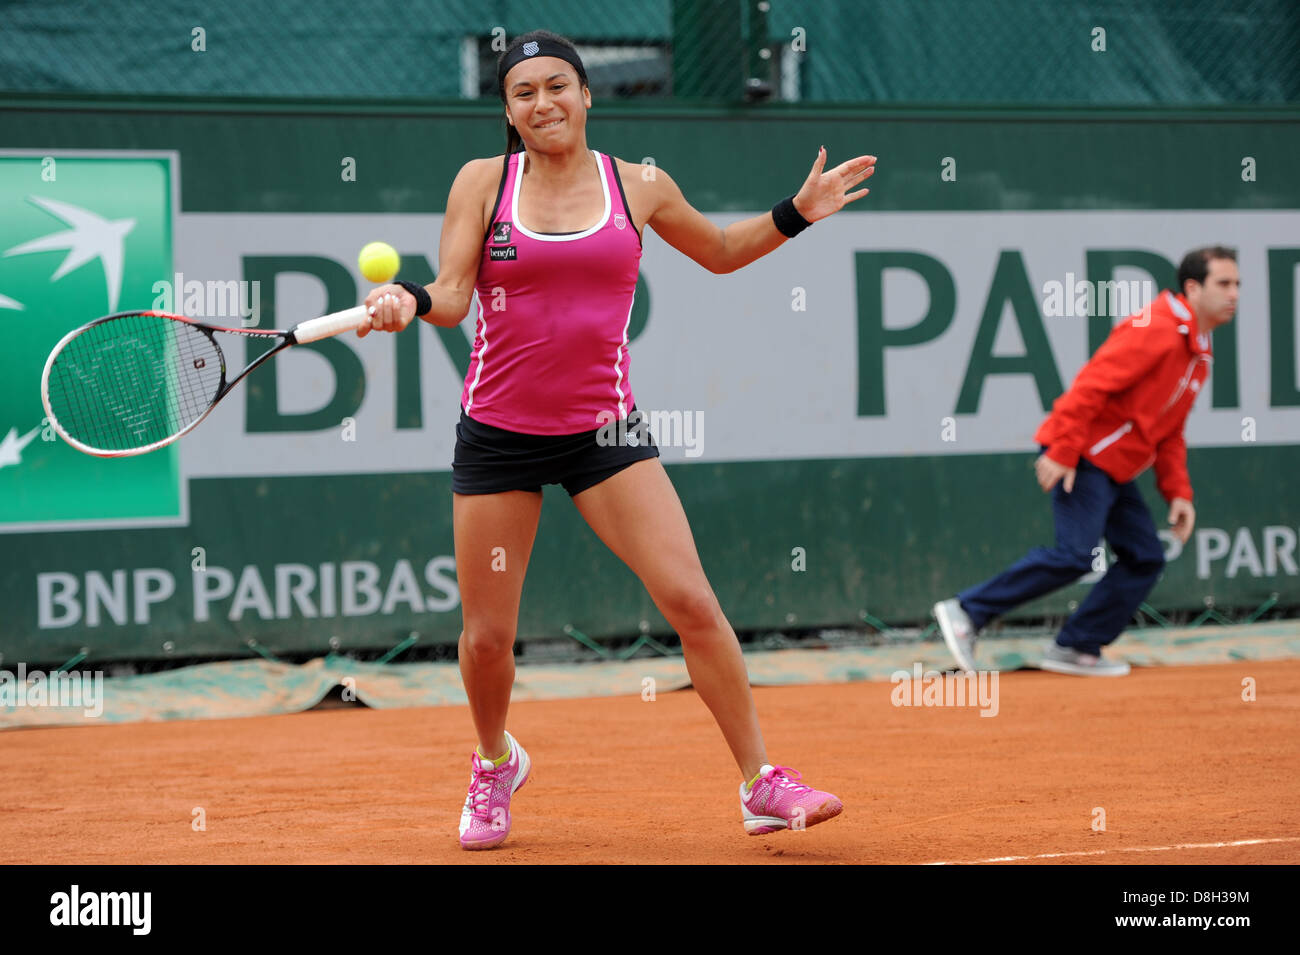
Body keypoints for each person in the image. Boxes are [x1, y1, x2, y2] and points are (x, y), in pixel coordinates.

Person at [358, 30, 877, 848]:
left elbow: (720, 252)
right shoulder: (480, 183)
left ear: (588, 94)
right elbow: (454, 293)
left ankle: (760, 782)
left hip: (605, 432)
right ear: (508, 110)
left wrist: (796, 213)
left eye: (557, 85)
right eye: (523, 92)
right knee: (489, 637)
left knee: (692, 601)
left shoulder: (638, 185)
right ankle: (495, 760)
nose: (543, 103)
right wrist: (408, 301)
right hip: (499, 434)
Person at [933, 247, 1240, 677]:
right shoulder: (1157, 327)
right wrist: (1063, 450)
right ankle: (967, 611)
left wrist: (1178, 493)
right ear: (1193, 288)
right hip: (1083, 455)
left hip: (1115, 466)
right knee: (1076, 555)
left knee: (1145, 556)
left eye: (1238, 284)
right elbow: (1091, 386)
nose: (1234, 294)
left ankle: (1076, 647)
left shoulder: (1198, 348)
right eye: (1224, 284)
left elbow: (1170, 429)